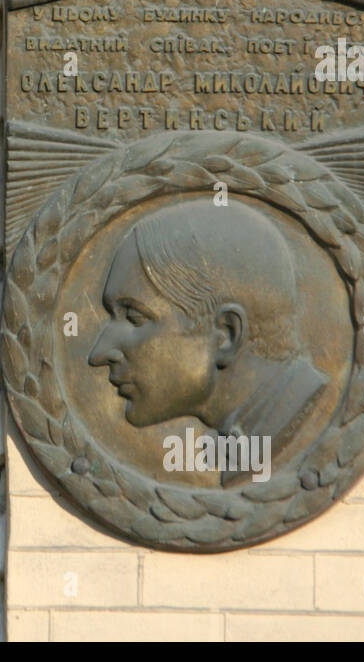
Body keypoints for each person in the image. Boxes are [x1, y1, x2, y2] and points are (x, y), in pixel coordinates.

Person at [87, 199, 330, 479]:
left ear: (226, 334)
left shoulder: (309, 428)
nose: (100, 353)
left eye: (133, 317)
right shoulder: (248, 442)